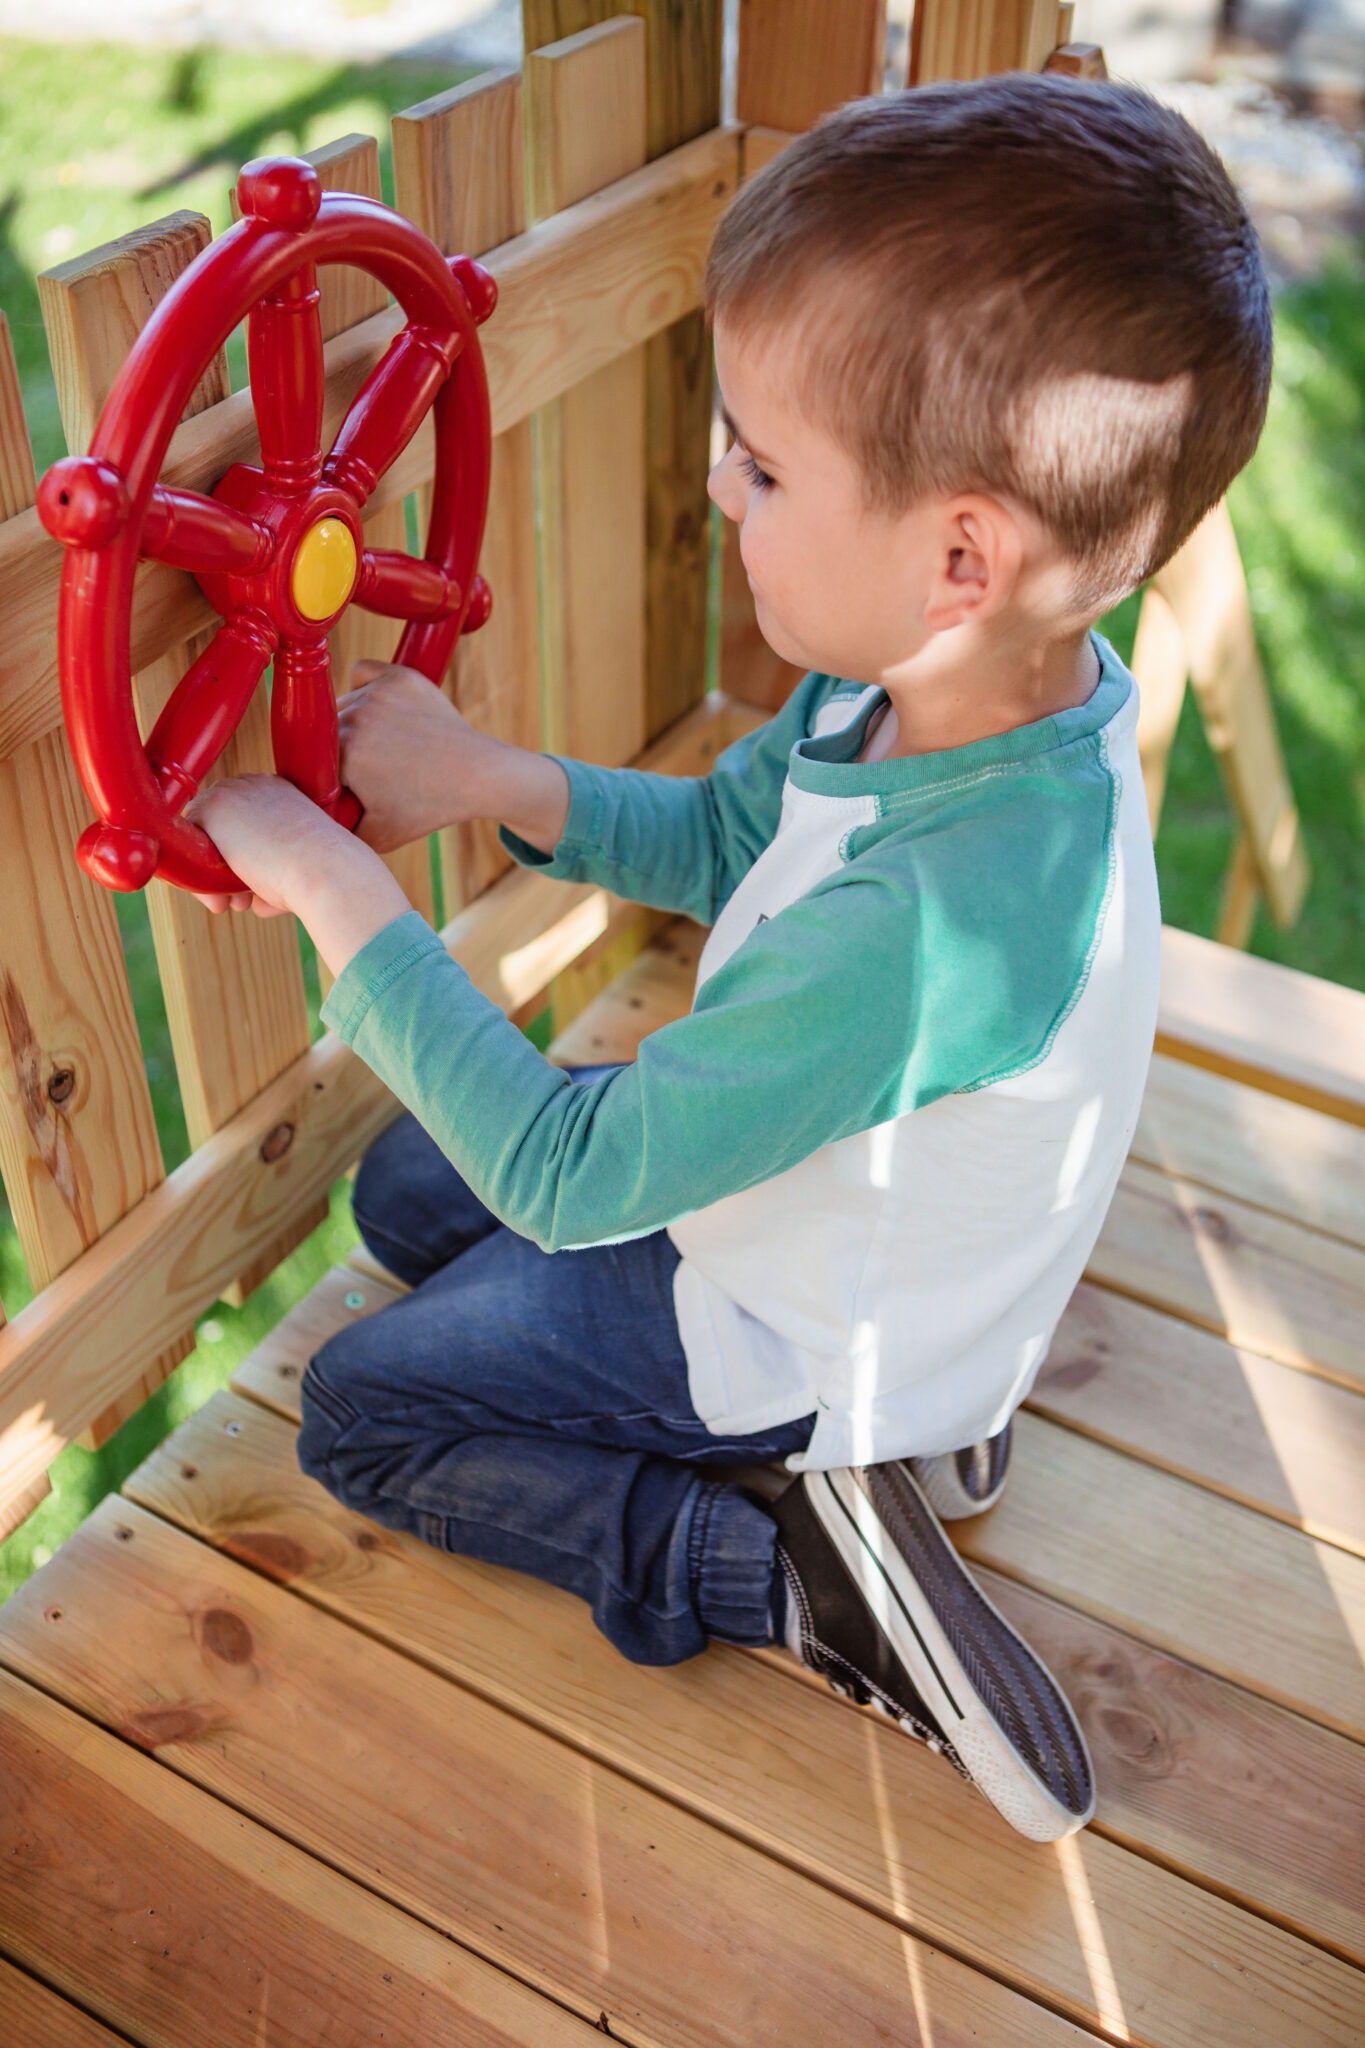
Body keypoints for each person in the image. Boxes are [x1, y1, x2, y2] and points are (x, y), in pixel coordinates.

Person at [190, 73, 1272, 1843]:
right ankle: (924, 1415)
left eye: (763, 466)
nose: (717, 478)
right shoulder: (948, 688)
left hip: (780, 1306)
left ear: (955, 555)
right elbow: (720, 841)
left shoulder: (930, 926)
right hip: (884, 1242)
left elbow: (566, 1179)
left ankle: (780, 1552)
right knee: (400, 1197)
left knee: (365, 1414)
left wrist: (333, 894)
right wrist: (483, 782)